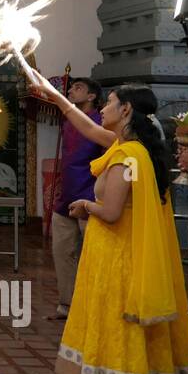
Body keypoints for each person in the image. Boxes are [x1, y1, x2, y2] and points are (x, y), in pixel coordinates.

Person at [49, 81, 188, 374]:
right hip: (131, 261)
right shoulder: (135, 150)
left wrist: (86, 205)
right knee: (138, 349)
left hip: (119, 265)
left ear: (126, 110)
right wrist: (60, 101)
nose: (104, 109)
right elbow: (90, 128)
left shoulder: (124, 158)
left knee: (123, 349)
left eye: (110, 103)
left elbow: (112, 212)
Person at [50, 77, 104, 320]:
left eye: (78, 87)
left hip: (89, 196)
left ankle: (93, 308)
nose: (71, 90)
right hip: (66, 196)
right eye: (71, 87)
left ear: (92, 96)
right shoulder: (69, 121)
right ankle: (67, 304)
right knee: (62, 252)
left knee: (93, 255)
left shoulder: (100, 122)